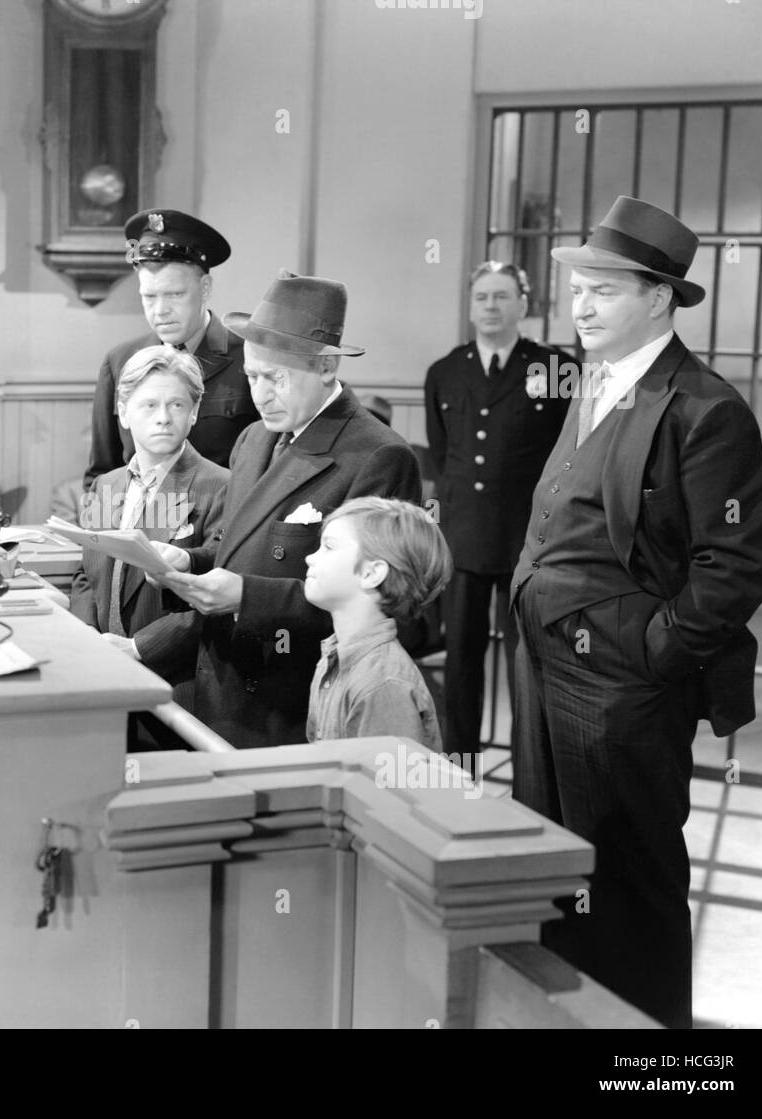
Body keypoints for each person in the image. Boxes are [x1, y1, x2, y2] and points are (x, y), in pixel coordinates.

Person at [509, 197, 762, 1029]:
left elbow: (734, 565)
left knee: (633, 886)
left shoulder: (705, 408)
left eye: (604, 290)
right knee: (556, 866)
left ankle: (654, 1058)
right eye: (578, 288)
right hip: (541, 667)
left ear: (659, 298)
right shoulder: (593, 382)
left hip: (622, 691)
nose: (580, 306)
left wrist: (652, 658)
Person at [152, 270, 422, 750]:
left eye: (276, 378)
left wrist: (248, 597)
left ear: (325, 367)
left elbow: (383, 601)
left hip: (291, 704)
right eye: (252, 376)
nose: (260, 394)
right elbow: (236, 545)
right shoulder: (254, 438)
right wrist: (188, 561)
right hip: (221, 682)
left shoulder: (377, 456)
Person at [424, 262, 571, 765]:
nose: (490, 306)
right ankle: (460, 770)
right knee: (462, 658)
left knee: (526, 659)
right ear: (470, 306)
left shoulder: (553, 368)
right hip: (463, 537)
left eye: (502, 297)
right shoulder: (444, 371)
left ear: (523, 305)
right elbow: (443, 456)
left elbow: (567, 451)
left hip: (527, 538)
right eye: (482, 297)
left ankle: (532, 770)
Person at [70, 346, 229, 745]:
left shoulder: (221, 487)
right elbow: (84, 575)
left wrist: (138, 647)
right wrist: (90, 637)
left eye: (177, 404)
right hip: (102, 673)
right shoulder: (105, 486)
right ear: (123, 412)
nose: (163, 417)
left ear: (194, 413)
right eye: (149, 404)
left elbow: (215, 600)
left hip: (175, 683)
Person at [85, 208, 257, 487]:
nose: (160, 310)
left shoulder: (248, 358)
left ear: (204, 289)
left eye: (175, 294)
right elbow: (101, 474)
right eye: (149, 296)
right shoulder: (120, 361)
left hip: (219, 522)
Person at [304, 498, 451, 750]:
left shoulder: (383, 686)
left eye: (328, 547)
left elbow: (387, 788)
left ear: (371, 574)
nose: (309, 558)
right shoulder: (334, 656)